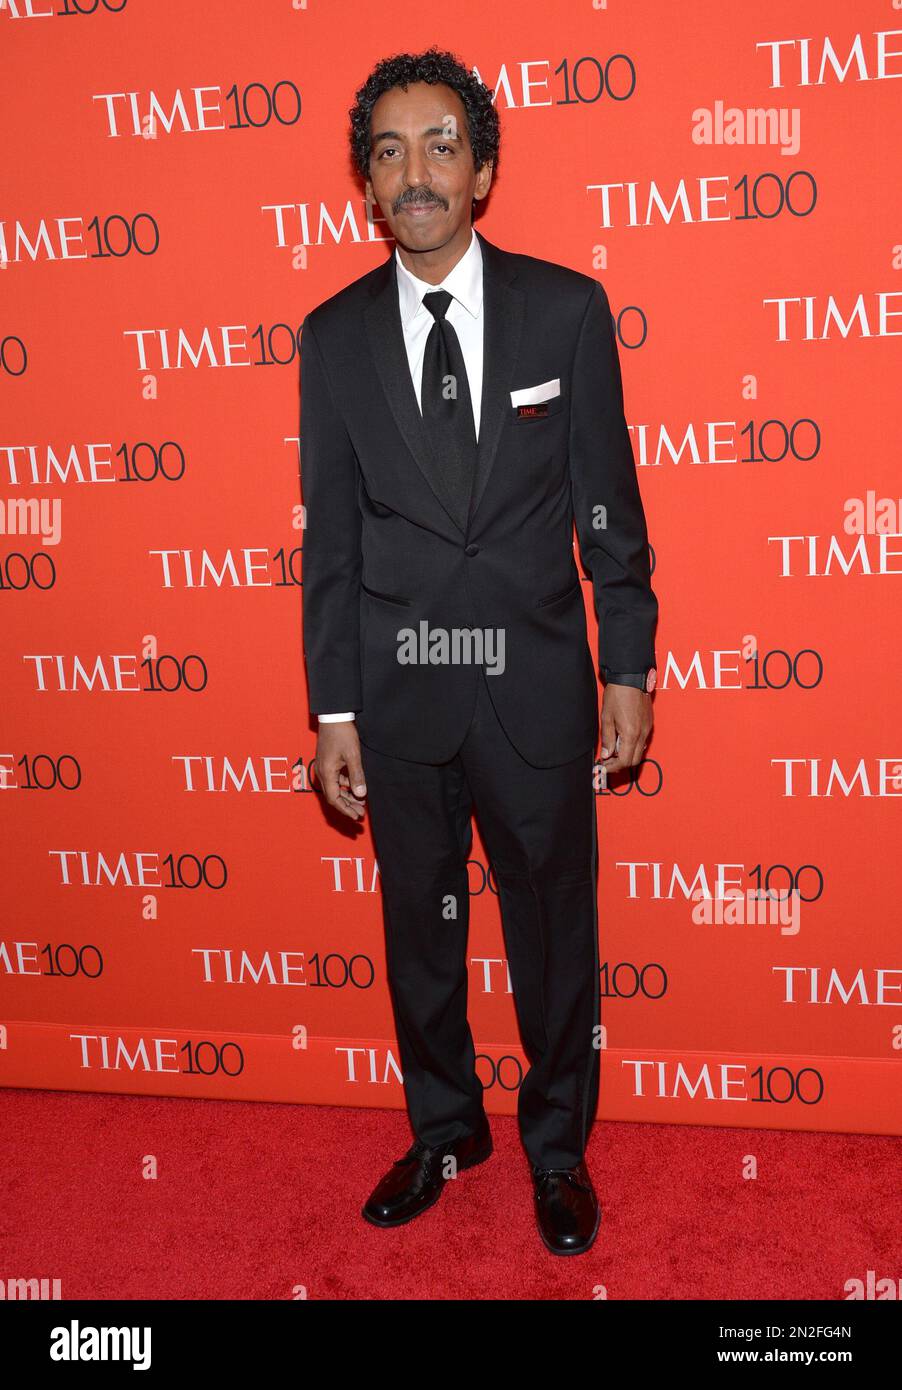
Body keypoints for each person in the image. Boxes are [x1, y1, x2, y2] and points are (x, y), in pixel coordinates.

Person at [300, 47, 658, 1256]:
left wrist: (626, 665)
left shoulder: (566, 310)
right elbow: (333, 539)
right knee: (420, 929)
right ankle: (444, 1128)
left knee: (555, 930)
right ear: (365, 185)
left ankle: (556, 1148)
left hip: (536, 687)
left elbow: (606, 502)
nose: (415, 173)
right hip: (398, 700)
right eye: (389, 152)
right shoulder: (333, 335)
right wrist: (332, 708)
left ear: (484, 169)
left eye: (439, 146)